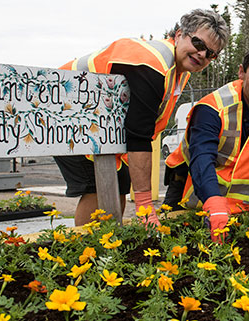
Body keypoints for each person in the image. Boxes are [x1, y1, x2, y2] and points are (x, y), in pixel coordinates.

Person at [53, 9, 229, 227]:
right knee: (98, 184)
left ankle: (107, 240)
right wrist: (145, 205)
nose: (202, 54)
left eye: (211, 54)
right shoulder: (153, 64)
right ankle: (85, 247)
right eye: (198, 44)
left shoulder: (178, 72)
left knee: (120, 180)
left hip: (92, 122)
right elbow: (138, 135)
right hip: (64, 113)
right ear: (179, 34)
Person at [164, 46, 249, 243]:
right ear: (242, 72)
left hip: (243, 205)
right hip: (194, 195)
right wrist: (213, 202)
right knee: (174, 243)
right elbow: (201, 159)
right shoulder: (212, 107)